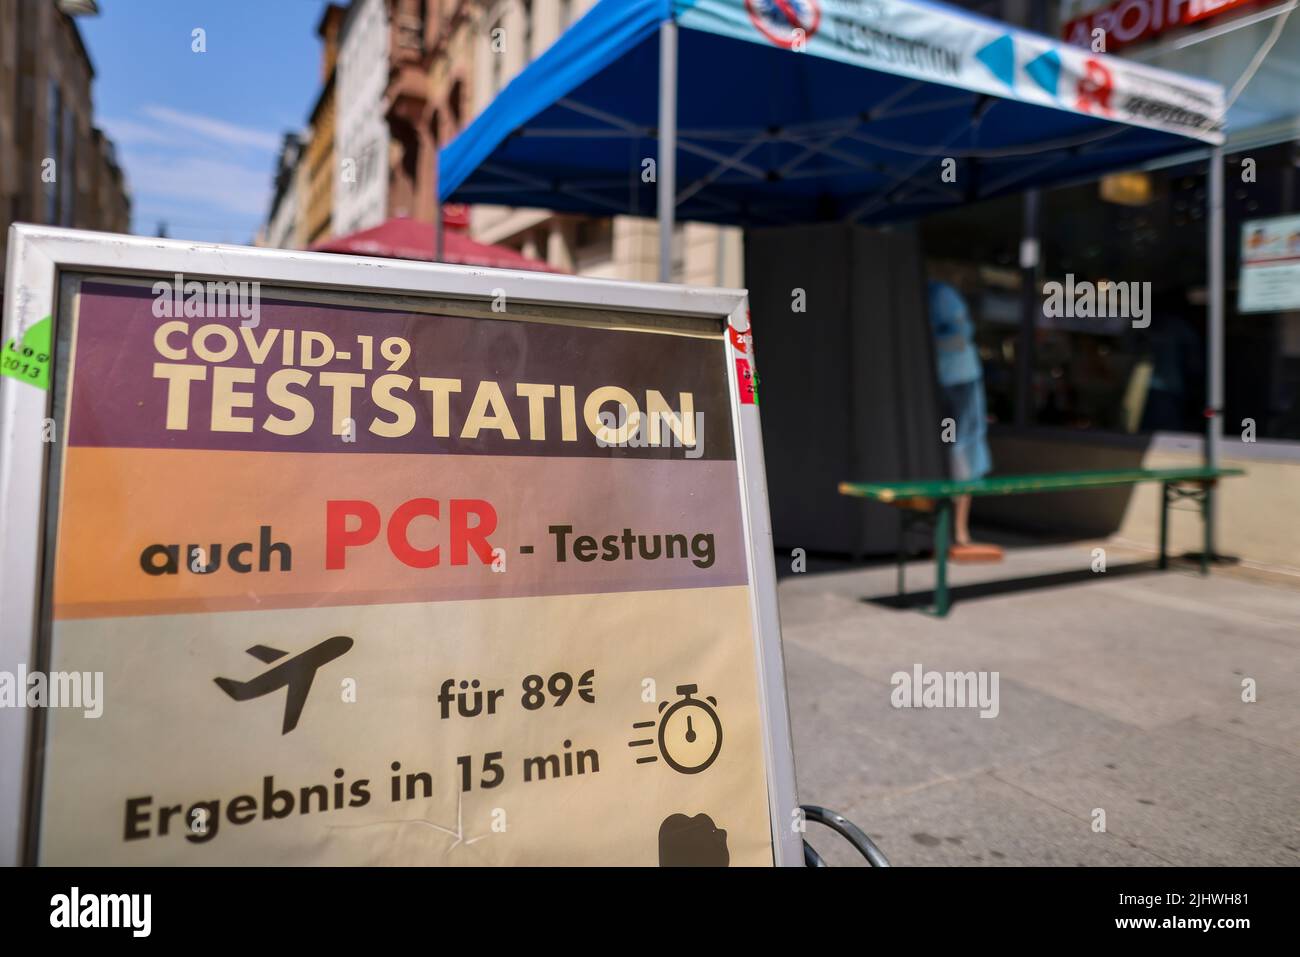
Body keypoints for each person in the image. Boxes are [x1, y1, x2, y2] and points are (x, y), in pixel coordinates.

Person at [927, 279, 1003, 562]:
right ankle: (957, 532)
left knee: (959, 454)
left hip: (951, 378)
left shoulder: (936, 293)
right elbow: (957, 333)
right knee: (960, 455)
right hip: (956, 379)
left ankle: (957, 532)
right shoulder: (941, 293)